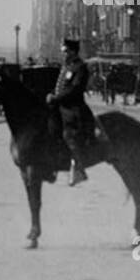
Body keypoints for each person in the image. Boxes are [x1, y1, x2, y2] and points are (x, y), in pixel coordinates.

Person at [46, 38, 94, 185]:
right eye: (63, 51)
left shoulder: (80, 67)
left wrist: (56, 98)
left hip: (73, 107)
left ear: (73, 52)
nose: (64, 54)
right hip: (61, 105)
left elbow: (75, 89)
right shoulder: (67, 66)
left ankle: (79, 168)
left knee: (69, 135)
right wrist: (51, 95)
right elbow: (60, 86)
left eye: (66, 51)